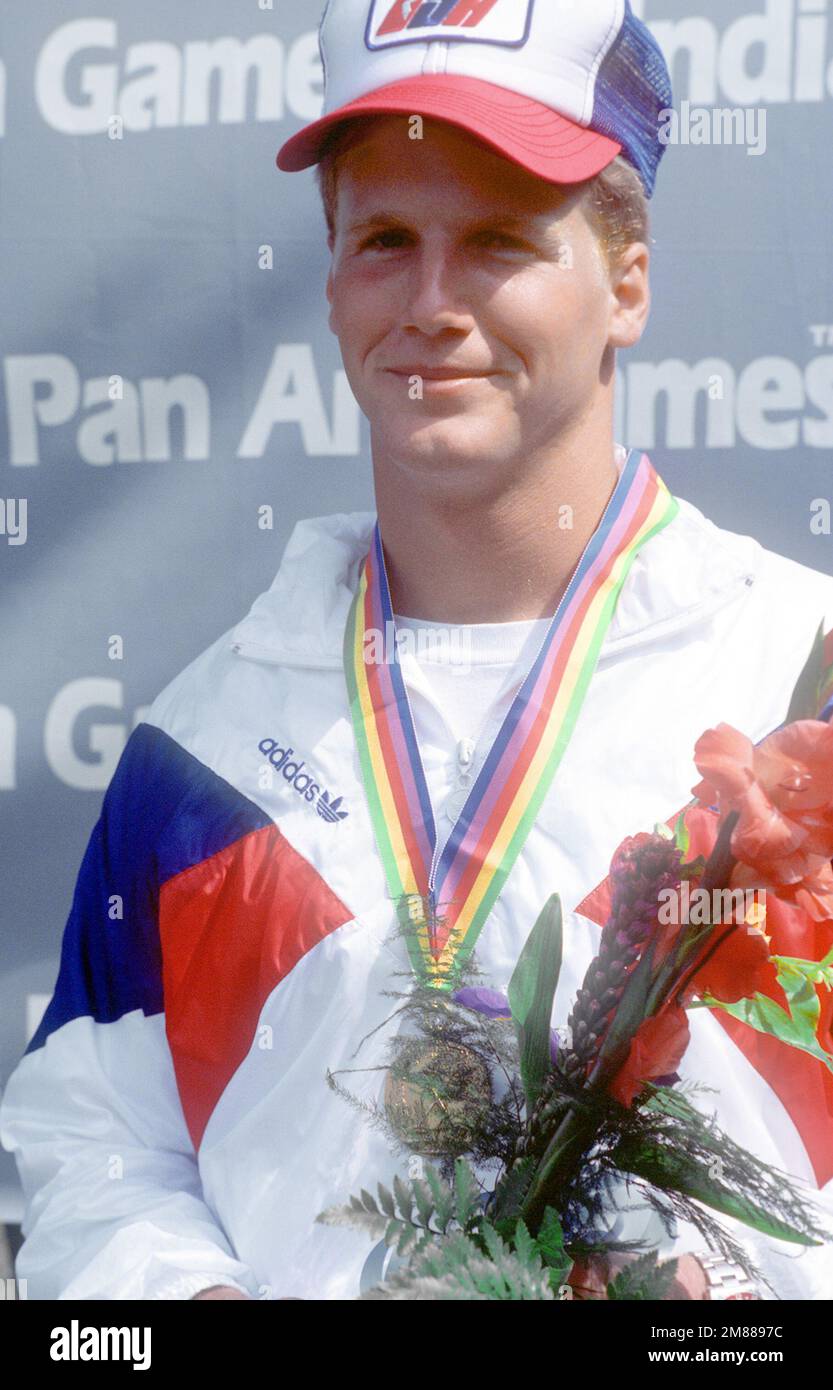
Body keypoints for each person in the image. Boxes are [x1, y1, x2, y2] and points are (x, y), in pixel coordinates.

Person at [2, 0, 832, 1302]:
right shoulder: (197, 749)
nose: (431, 303)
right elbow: (89, 1138)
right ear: (331, 282)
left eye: (497, 239)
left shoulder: (806, 683)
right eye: (385, 239)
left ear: (626, 281)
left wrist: (731, 1307)